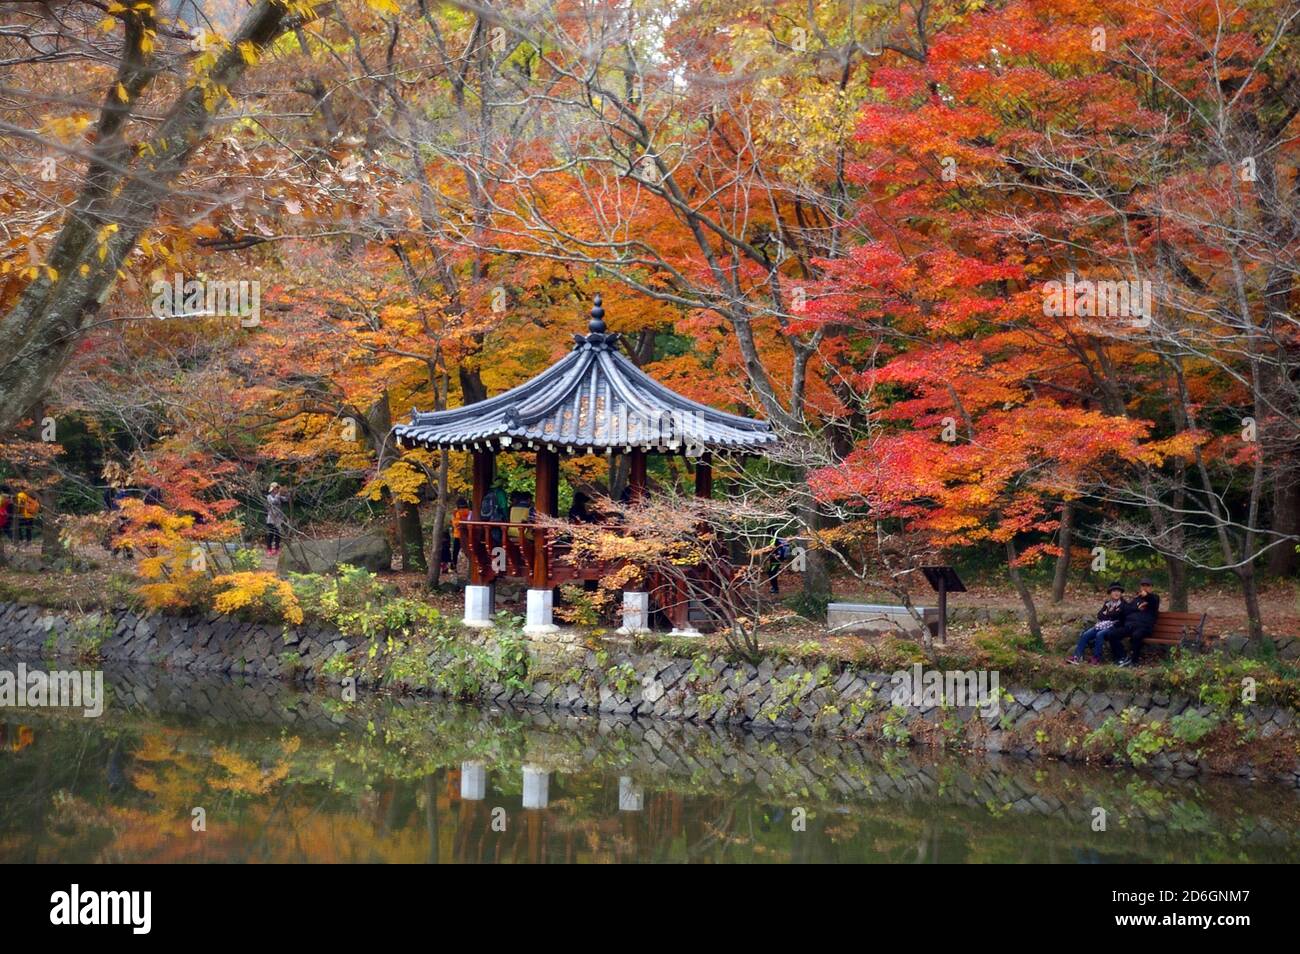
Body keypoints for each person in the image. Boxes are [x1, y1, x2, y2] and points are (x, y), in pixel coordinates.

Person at [1067, 582, 1126, 665]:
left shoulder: (1123, 604)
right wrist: (1109, 614)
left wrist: (1108, 614)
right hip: (1102, 625)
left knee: (1100, 634)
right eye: (1114, 591)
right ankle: (1077, 656)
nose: (1116, 593)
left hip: (1114, 627)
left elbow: (1117, 616)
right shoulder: (1107, 603)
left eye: (1118, 591)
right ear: (1110, 593)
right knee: (1086, 634)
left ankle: (1096, 658)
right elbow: (1100, 615)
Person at [1111, 578, 1160, 667]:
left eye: (1147, 585)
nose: (1145, 587)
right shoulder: (1136, 599)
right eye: (1143, 585)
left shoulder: (1154, 598)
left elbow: (1153, 602)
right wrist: (1136, 608)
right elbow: (1127, 610)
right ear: (1140, 587)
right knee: (1113, 634)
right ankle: (1123, 657)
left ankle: (1134, 661)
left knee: (1136, 635)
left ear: (1151, 587)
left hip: (1144, 628)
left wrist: (1147, 596)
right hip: (1131, 626)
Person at [265, 482, 290, 555]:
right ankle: (269, 549)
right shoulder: (269, 496)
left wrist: (287, 493)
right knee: (270, 534)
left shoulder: (278, 496)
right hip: (271, 518)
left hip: (278, 518)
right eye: (276, 488)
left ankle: (277, 548)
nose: (277, 490)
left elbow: (286, 499)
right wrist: (278, 495)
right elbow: (273, 502)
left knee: (278, 534)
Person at [450, 496, 470, 570]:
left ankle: (454, 565)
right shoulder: (469, 512)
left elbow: (455, 524)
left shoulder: (456, 512)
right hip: (467, 534)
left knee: (455, 551)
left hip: (458, 535)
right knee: (468, 551)